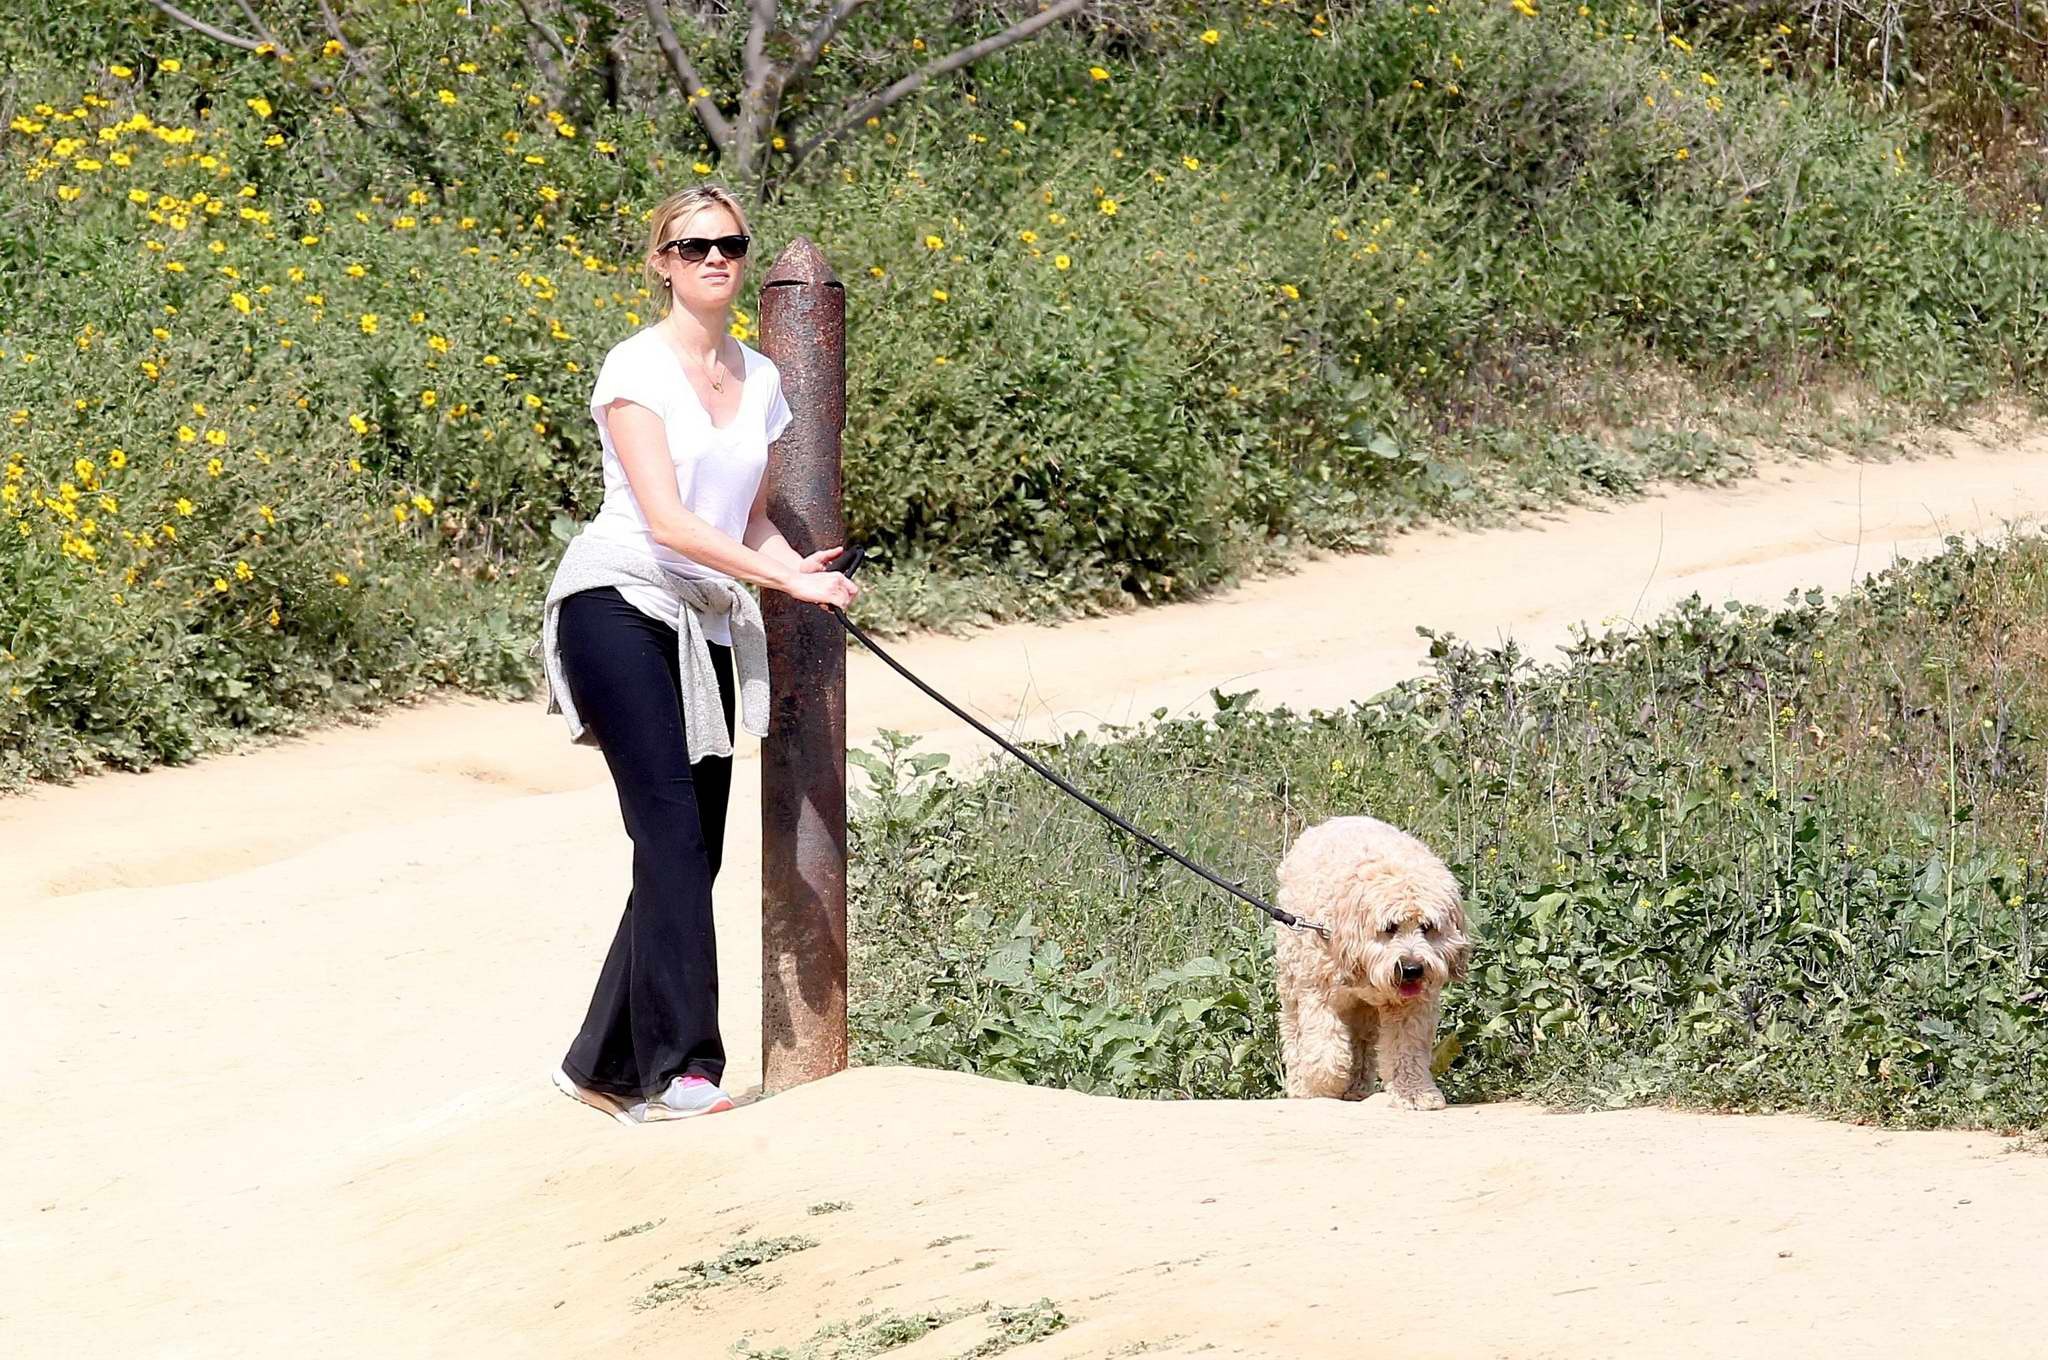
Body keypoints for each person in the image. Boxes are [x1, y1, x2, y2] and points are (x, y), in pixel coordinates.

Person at [538, 184, 859, 1124]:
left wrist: (807, 571)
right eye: (695, 246)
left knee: (693, 849)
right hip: (618, 603)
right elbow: (671, 522)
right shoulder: (633, 369)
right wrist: (781, 585)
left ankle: (600, 1063)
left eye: (731, 244)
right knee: (671, 836)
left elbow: (748, 518)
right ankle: (686, 1071)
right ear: (662, 263)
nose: (717, 258)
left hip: (704, 615)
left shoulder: (758, 379)